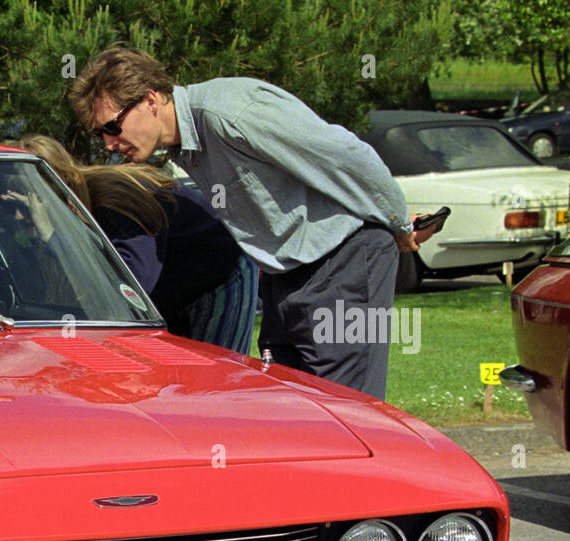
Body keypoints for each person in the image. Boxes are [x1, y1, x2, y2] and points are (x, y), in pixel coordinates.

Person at [68, 45, 440, 399]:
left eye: (112, 127)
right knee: (291, 408)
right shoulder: (186, 143)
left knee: (348, 413)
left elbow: (350, 156)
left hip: (345, 262)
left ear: (150, 99)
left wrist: (399, 227)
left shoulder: (232, 113)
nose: (109, 144)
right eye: (100, 134)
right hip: (287, 278)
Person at [20, 134, 257, 354]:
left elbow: (132, 291)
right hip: (172, 287)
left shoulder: (114, 201)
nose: (21, 218)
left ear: (55, 191)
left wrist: (52, 237)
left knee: (212, 381)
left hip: (219, 269)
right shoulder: (72, 215)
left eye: (27, 206)